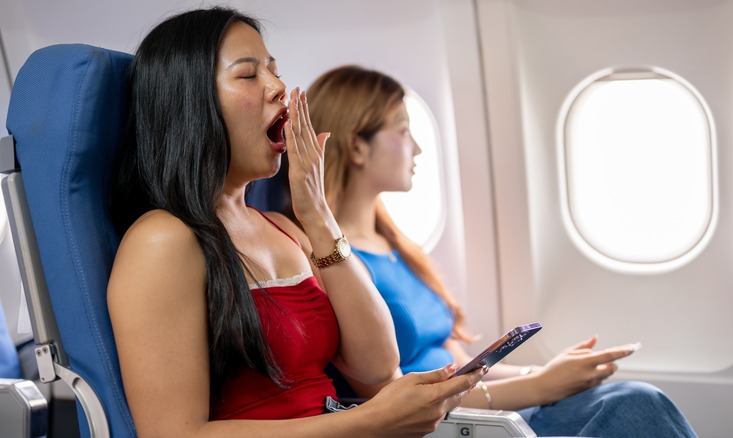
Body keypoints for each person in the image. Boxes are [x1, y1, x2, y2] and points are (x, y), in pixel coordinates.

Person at [107, 7, 485, 437]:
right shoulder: (162, 241)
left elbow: (379, 369)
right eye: (249, 75)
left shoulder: (284, 230)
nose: (279, 88)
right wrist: (370, 420)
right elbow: (175, 434)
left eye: (275, 71)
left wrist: (320, 217)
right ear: (190, 103)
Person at [307, 65, 698, 437]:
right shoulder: (333, 262)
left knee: (633, 397)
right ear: (357, 146)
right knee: (635, 405)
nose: (419, 149)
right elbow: (387, 400)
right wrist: (541, 387)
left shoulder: (394, 246)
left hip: (473, 404)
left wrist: (542, 373)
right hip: (444, 424)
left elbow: (456, 366)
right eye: (405, 131)